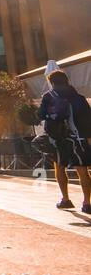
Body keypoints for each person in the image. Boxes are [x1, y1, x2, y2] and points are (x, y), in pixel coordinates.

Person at [37, 69, 91, 213]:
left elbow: (41, 115)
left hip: (58, 139)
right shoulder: (79, 98)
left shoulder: (48, 97)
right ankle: (87, 203)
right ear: (67, 80)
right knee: (83, 171)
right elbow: (88, 120)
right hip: (79, 138)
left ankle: (65, 199)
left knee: (60, 168)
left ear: (51, 82)